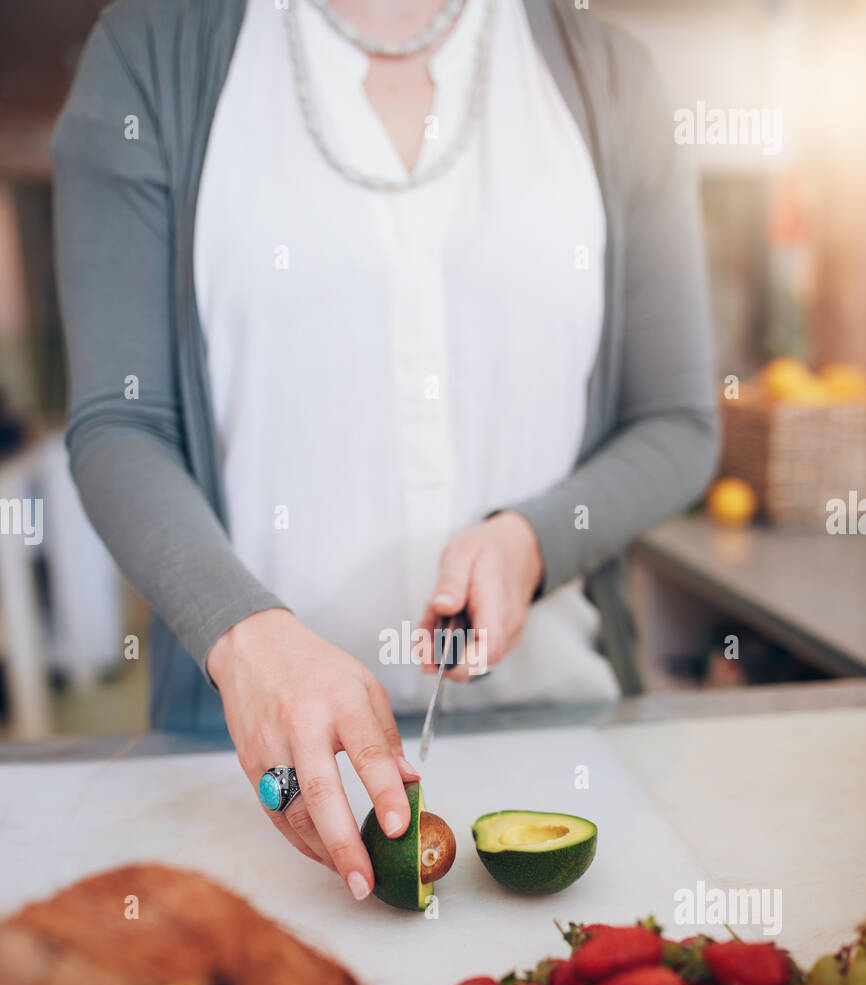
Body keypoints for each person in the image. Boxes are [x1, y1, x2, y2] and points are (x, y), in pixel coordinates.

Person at [53, 0, 717, 901]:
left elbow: (677, 420)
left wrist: (532, 540)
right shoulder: (153, 52)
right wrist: (244, 640)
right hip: (249, 772)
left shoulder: (611, 74)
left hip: (561, 728)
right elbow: (119, 424)